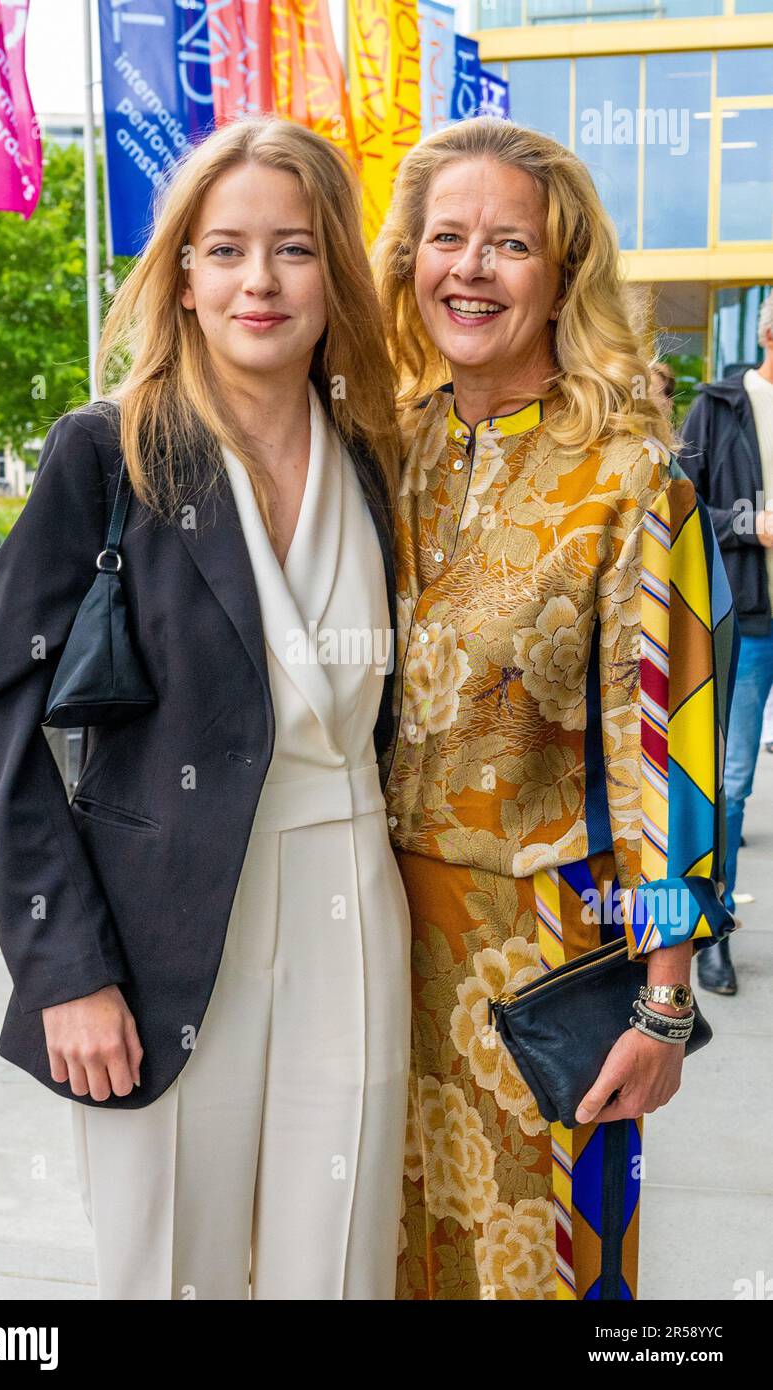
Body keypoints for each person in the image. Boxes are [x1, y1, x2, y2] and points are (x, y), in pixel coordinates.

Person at [0, 116, 412, 1301]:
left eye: (295, 249)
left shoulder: (375, 453)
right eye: (224, 250)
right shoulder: (106, 451)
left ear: (335, 275)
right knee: (172, 1275)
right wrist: (64, 969)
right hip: (155, 926)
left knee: (339, 1259)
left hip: (350, 898)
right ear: (185, 277)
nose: (259, 281)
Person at [372, 117, 738, 1301]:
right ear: (406, 261)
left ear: (561, 272)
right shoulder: (382, 451)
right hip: (372, 953)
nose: (469, 268)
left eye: (508, 244)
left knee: (546, 1280)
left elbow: (667, 748)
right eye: (446, 238)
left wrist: (665, 1000)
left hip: (544, 962)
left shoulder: (631, 471)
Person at [680, 294, 773, 995]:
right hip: (751, 622)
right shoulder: (718, 407)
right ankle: (713, 940)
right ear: (767, 333)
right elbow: (683, 503)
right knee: (732, 783)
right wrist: (749, 525)